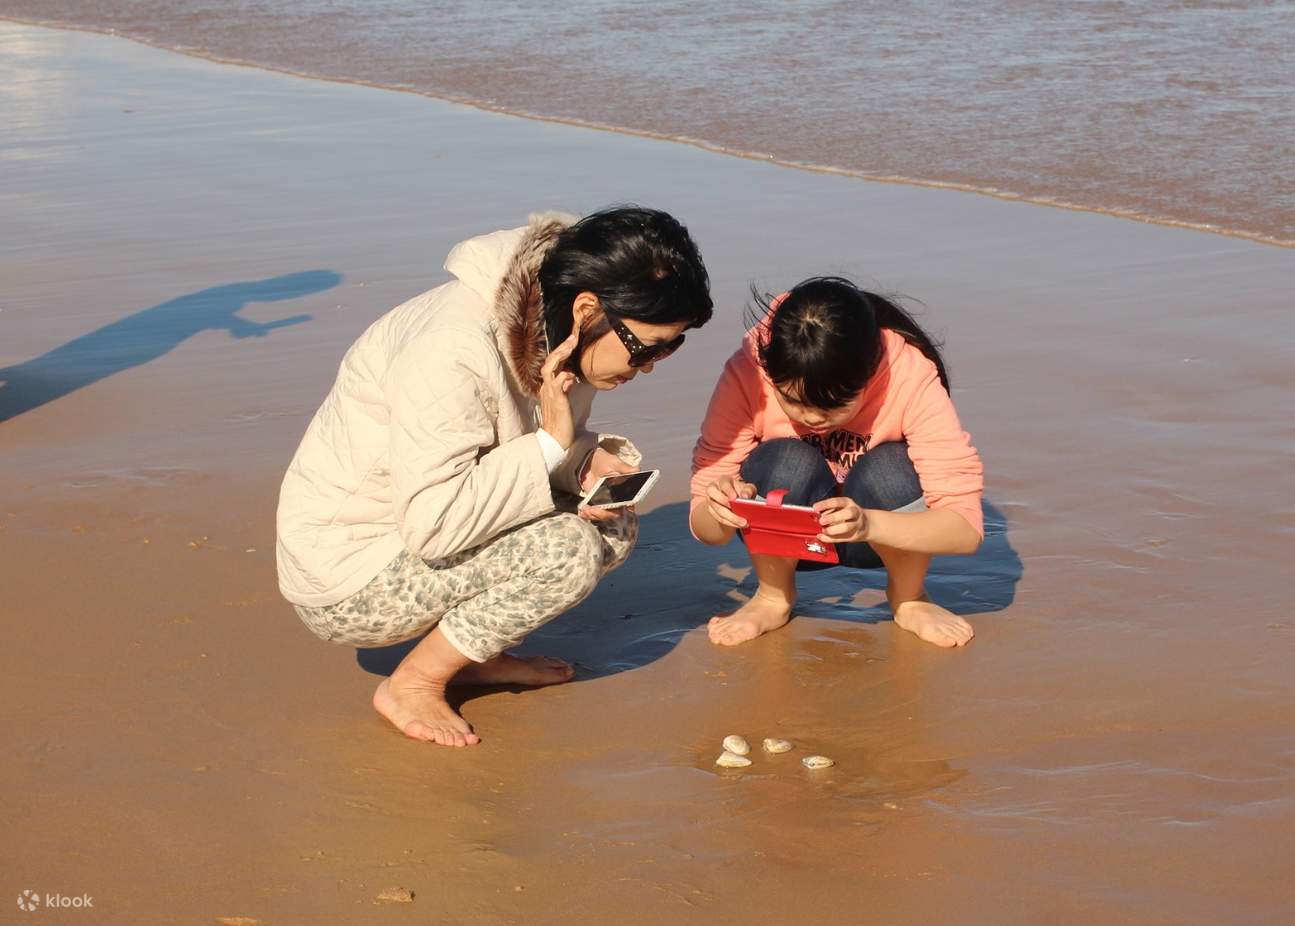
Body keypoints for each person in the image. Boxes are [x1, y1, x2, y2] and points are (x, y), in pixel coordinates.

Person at [277, 207, 712, 746]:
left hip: (423, 528)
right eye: (646, 347)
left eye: (671, 347)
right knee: (568, 551)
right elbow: (434, 526)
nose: (647, 365)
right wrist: (552, 446)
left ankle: (474, 653)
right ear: (588, 309)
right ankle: (413, 684)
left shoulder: (563, 326)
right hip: (349, 573)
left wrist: (581, 460)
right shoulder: (451, 349)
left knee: (612, 525)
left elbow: (518, 453)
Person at [689, 277, 983, 648]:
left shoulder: (908, 374)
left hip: (879, 536)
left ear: (870, 373)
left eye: (834, 405)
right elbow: (706, 528)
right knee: (783, 459)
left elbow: (965, 529)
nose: (812, 418)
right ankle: (773, 597)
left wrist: (869, 523)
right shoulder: (748, 371)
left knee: (891, 468)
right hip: (790, 540)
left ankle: (910, 598)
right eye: (792, 400)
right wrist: (720, 508)